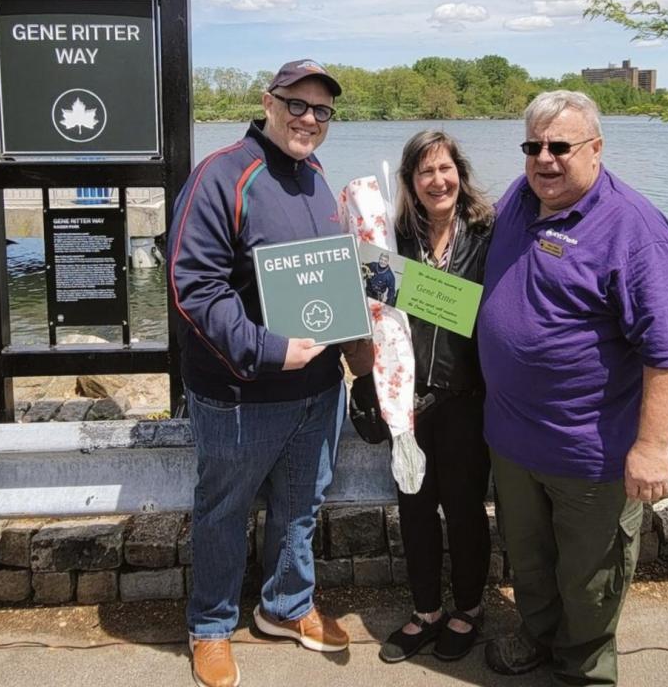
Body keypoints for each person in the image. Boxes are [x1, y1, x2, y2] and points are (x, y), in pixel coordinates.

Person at [477, 90, 668, 686]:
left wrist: (652, 447)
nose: (545, 159)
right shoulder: (522, 198)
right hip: (513, 441)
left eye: (561, 147)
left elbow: (667, 354)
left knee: (590, 578)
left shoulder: (636, 232)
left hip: (589, 454)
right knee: (531, 561)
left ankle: (585, 667)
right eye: (533, 146)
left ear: (596, 149)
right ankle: (536, 637)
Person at [168, 59, 368, 687]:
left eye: (322, 110)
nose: (309, 118)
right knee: (224, 510)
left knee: (301, 503)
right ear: (268, 102)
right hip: (241, 390)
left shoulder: (314, 175)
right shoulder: (222, 173)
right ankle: (211, 625)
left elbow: (326, 274)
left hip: (318, 387)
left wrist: (362, 309)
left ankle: (285, 606)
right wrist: (265, 348)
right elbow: (192, 285)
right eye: (297, 104)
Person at [376, 130, 494, 664]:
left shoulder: (488, 232)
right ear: (409, 182)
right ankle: (426, 610)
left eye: (445, 168)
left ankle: (468, 607)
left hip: (469, 399)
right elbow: (369, 312)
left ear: (460, 174)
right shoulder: (395, 238)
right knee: (415, 510)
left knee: (466, 510)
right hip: (409, 402)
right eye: (425, 171)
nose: (437, 180)